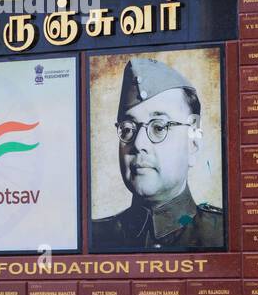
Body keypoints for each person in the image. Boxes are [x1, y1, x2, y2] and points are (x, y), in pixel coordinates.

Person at [90, 57, 224, 251]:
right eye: (128, 129)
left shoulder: (223, 233)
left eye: (159, 127)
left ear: (193, 143)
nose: (138, 143)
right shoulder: (95, 236)